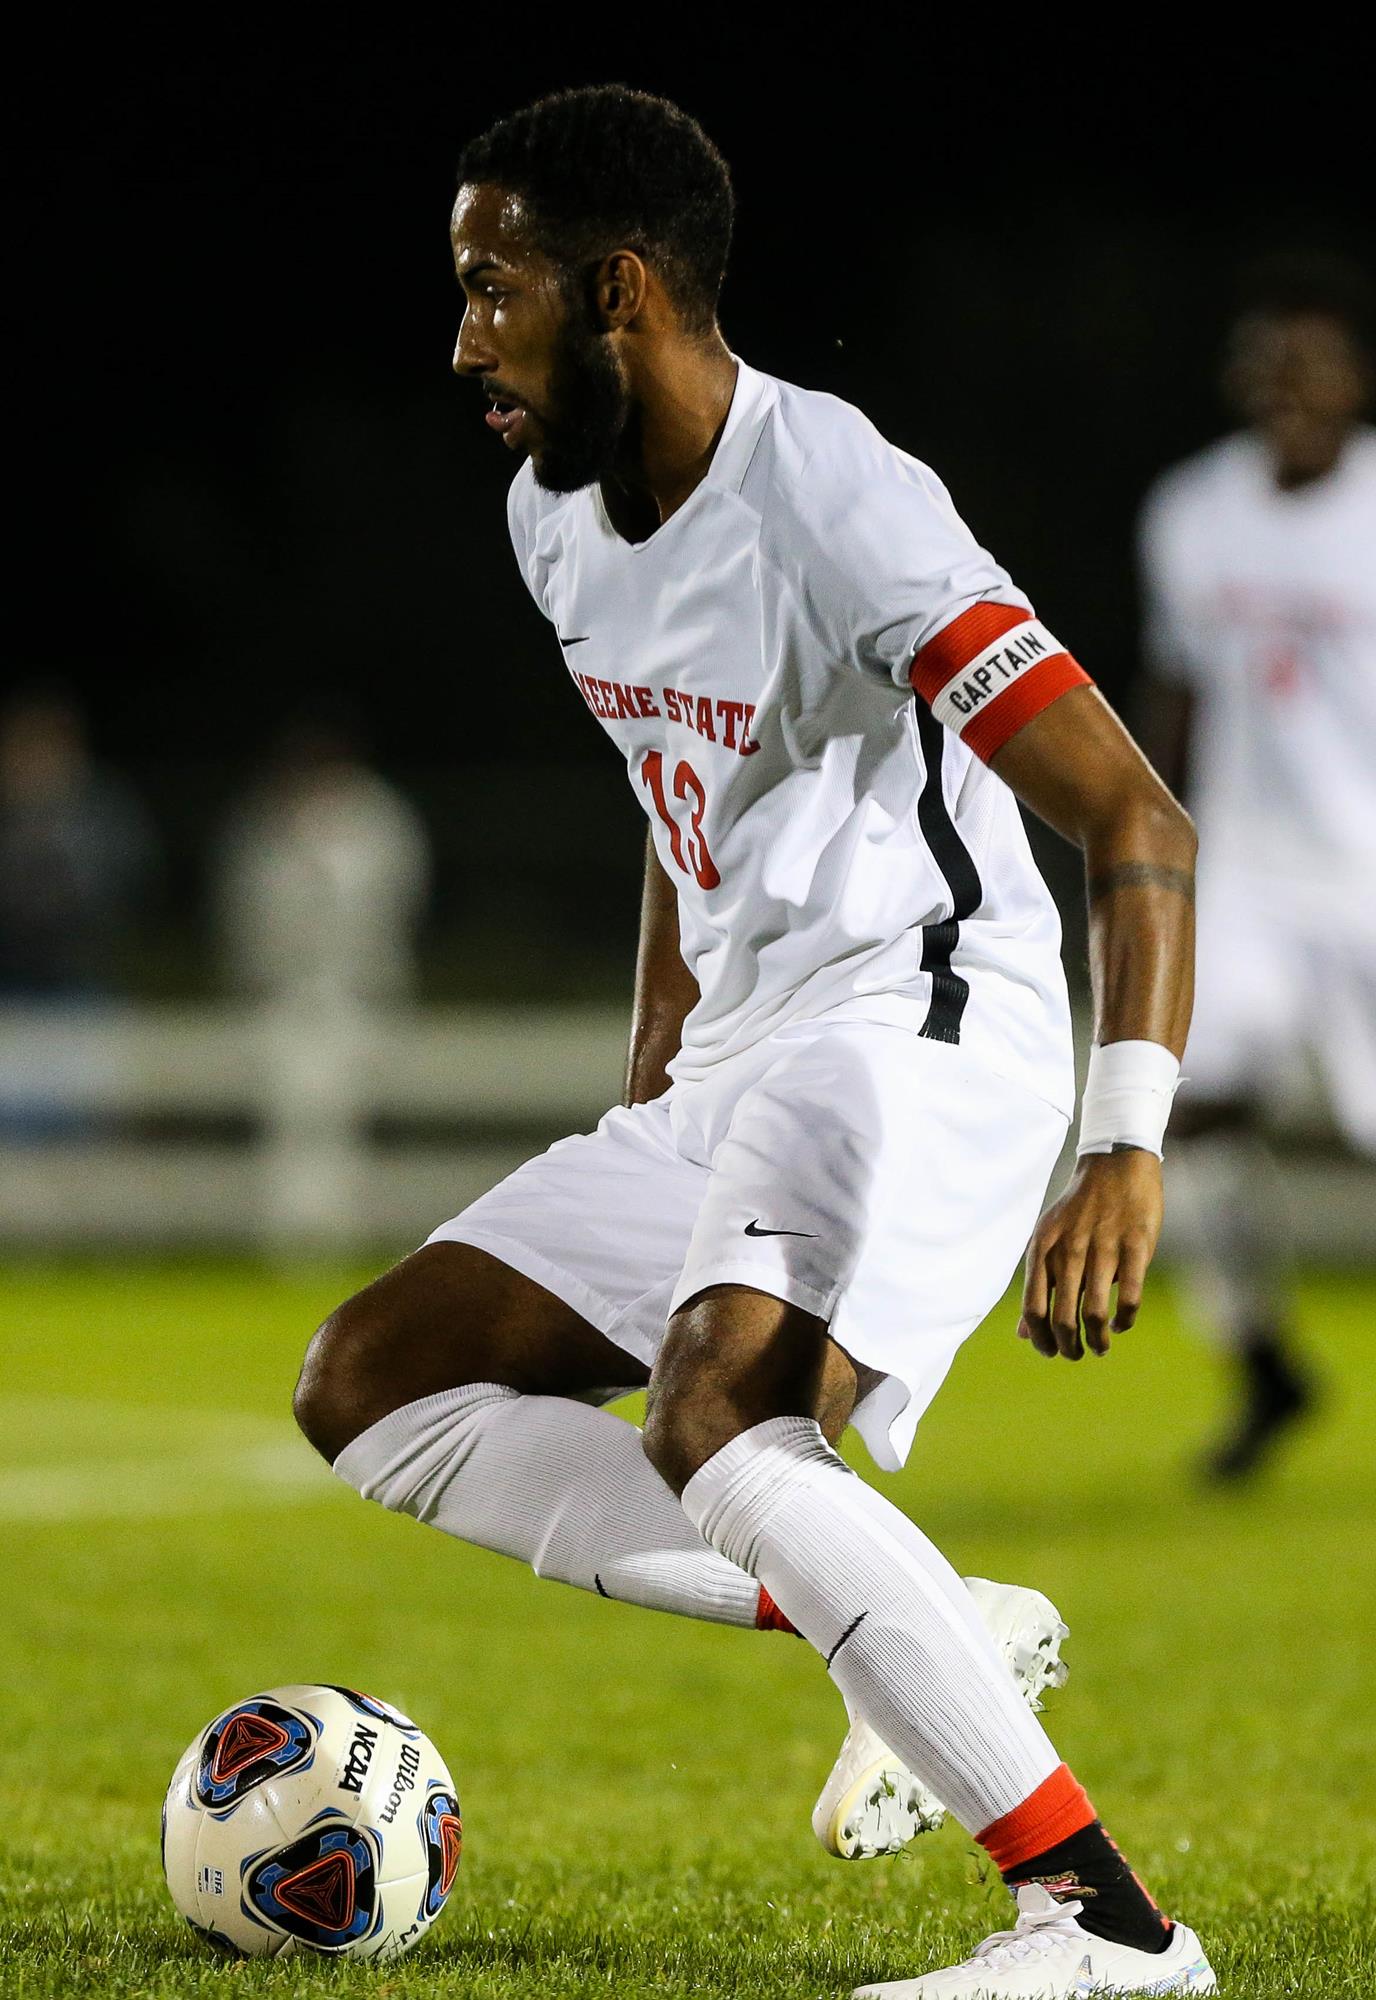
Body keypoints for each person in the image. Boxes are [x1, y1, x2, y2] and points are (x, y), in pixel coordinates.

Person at [294, 87, 1213, 1997]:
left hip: (930, 1008)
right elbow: (675, 784)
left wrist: (1122, 1138)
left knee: (720, 1411)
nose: (466, 337)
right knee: (374, 1378)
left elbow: (1134, 818)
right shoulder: (556, 517)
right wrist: (658, 1054)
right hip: (756, 1040)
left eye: (494, 291)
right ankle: (937, 1622)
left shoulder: (840, 498)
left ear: (616, 290)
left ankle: (1109, 1930)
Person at [1137, 255, 1376, 1482]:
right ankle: (1261, 1358)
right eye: (1267, 365)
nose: (1287, 387)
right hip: (1250, 874)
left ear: (1351, 381)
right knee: (1192, 1105)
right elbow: (1175, 696)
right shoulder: (1191, 510)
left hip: (1368, 866)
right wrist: (1151, 850)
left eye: (1311, 365)